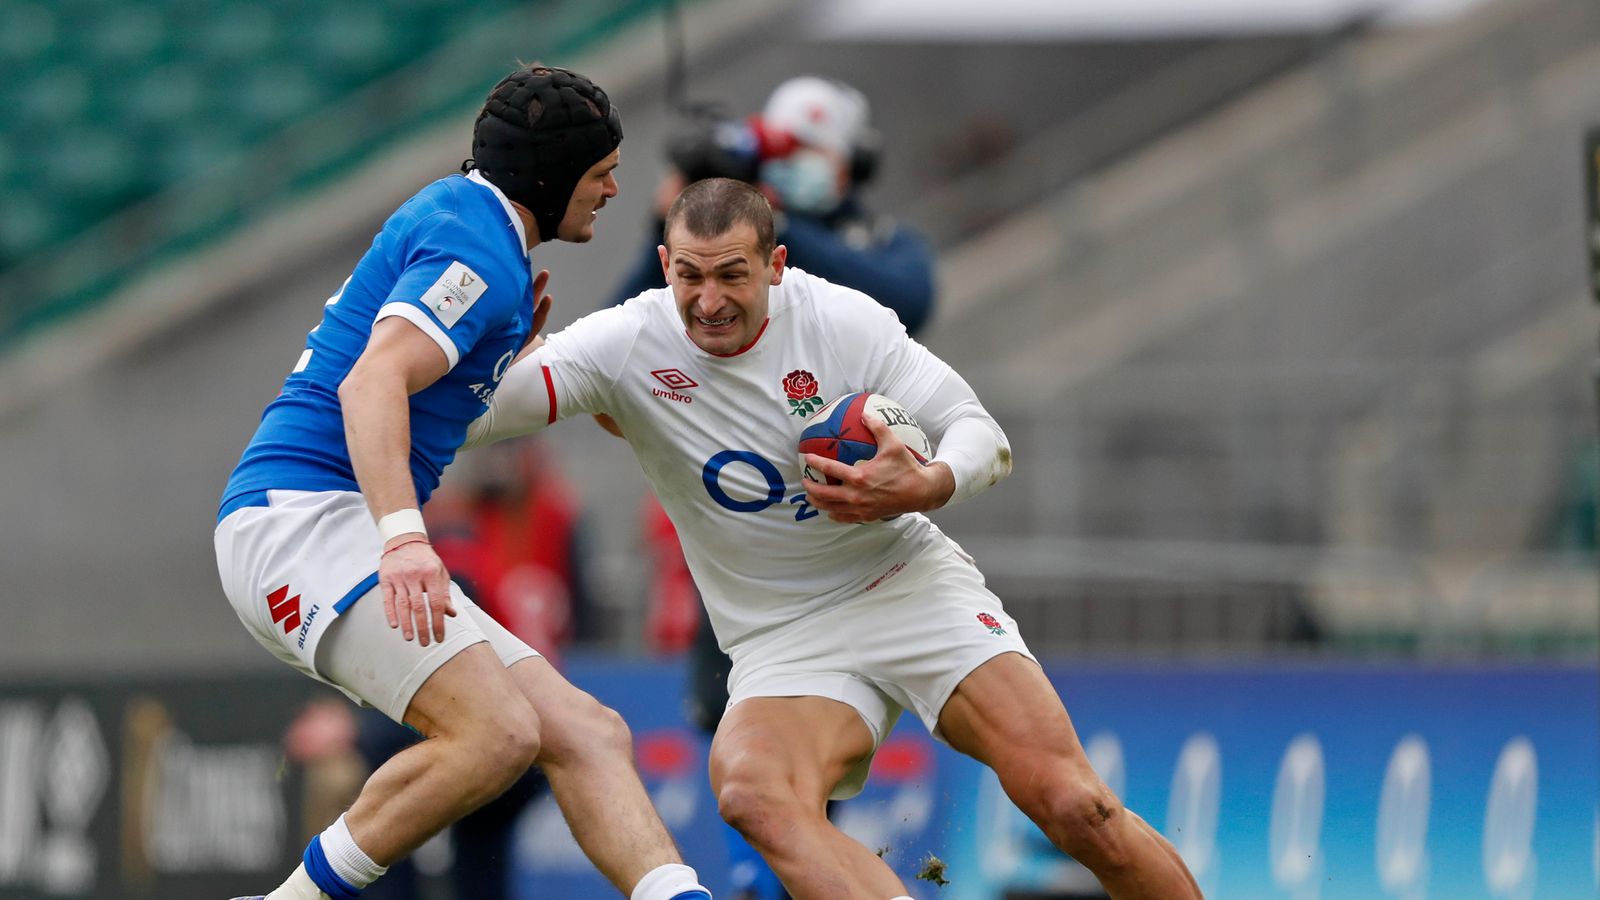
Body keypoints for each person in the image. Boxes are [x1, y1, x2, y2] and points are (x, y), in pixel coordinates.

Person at [465, 177, 1204, 899]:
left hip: (904, 584)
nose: (709, 299)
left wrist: (926, 485)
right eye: (689, 275)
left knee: (1076, 806)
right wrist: (483, 360)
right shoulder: (628, 342)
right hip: (780, 635)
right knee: (752, 793)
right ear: (665, 265)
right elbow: (478, 421)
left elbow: (980, 432)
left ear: (777, 267)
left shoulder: (842, 322)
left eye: (732, 275)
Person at [213, 64, 710, 900]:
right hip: (301, 524)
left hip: (313, 519)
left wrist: (489, 364)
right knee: (497, 735)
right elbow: (369, 384)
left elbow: (409, 392)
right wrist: (406, 539)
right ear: (549, 178)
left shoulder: (473, 227)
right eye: (600, 173)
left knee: (587, 732)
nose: (615, 189)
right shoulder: (477, 246)